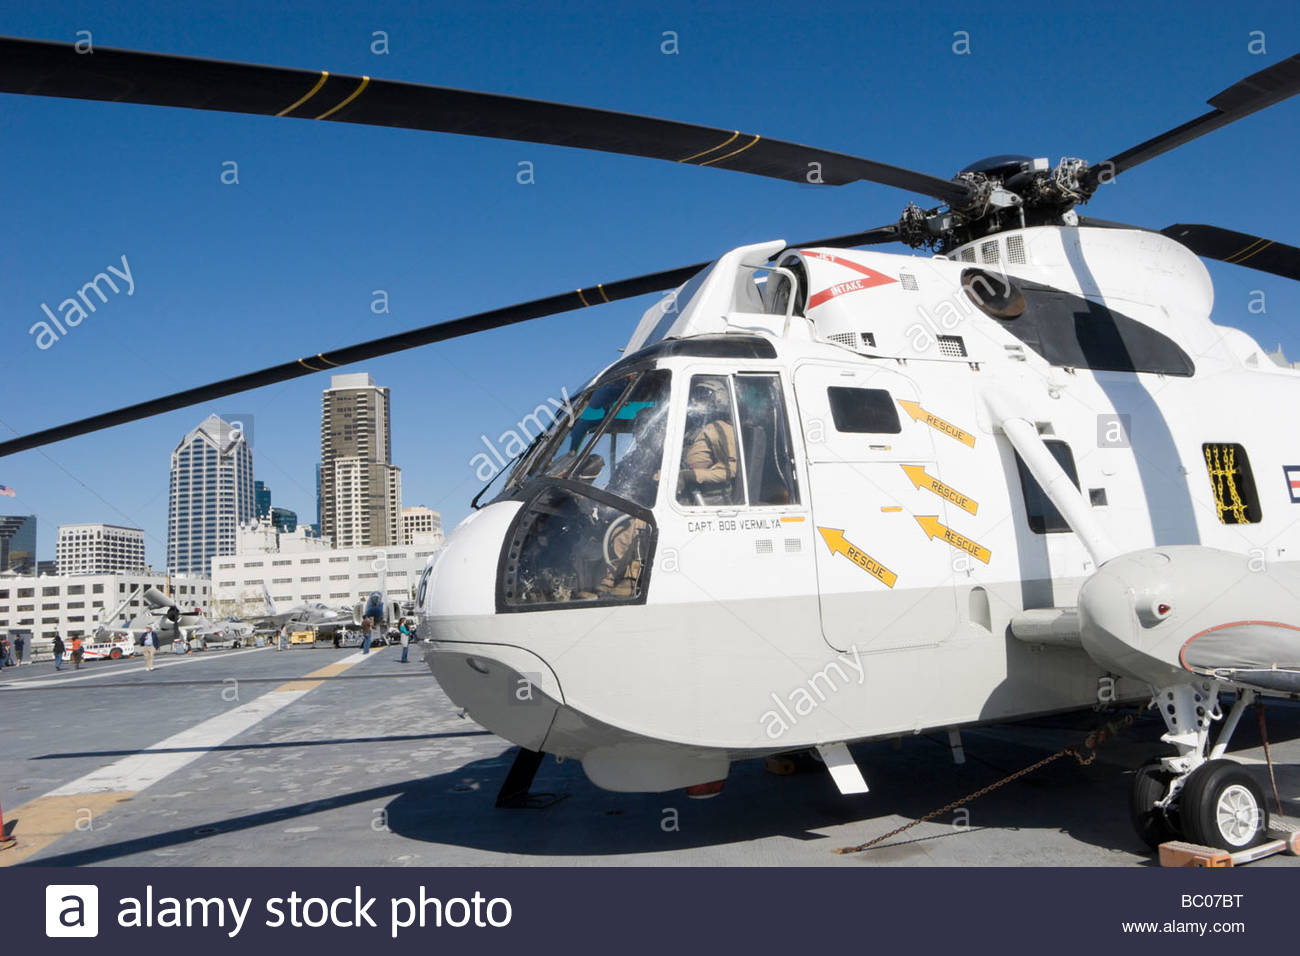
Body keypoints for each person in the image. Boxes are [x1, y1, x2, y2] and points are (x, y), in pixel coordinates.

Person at [677, 377, 739, 505]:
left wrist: (690, 476)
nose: (693, 400)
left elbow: (730, 471)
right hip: (689, 497)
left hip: (709, 502)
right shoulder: (694, 430)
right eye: (694, 395)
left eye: (701, 396)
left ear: (718, 400)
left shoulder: (720, 429)